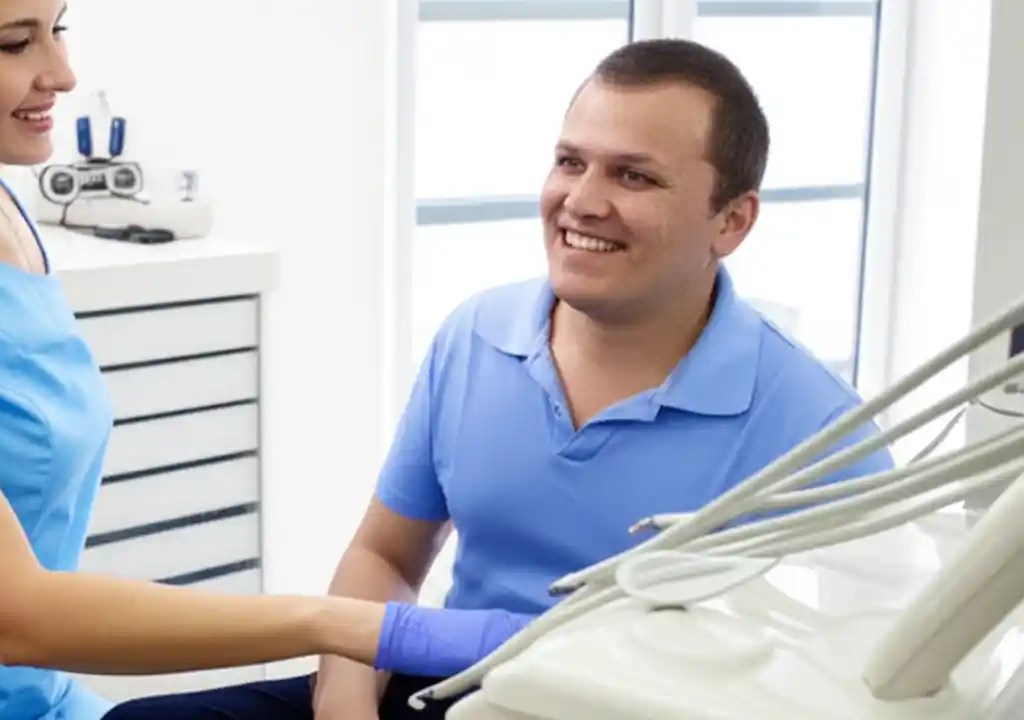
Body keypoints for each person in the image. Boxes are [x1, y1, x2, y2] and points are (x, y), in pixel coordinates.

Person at [0, 1, 503, 718]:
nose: (63, 73)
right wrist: (348, 624)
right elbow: (13, 615)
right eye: (16, 42)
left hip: (31, 699)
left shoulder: (3, 218)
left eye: (58, 28)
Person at [102, 38, 895, 719]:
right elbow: (385, 555)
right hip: (454, 689)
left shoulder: (817, 427)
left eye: (634, 177)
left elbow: (867, 671)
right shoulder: (477, 336)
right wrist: (343, 705)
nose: (581, 202)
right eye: (569, 161)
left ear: (732, 220)